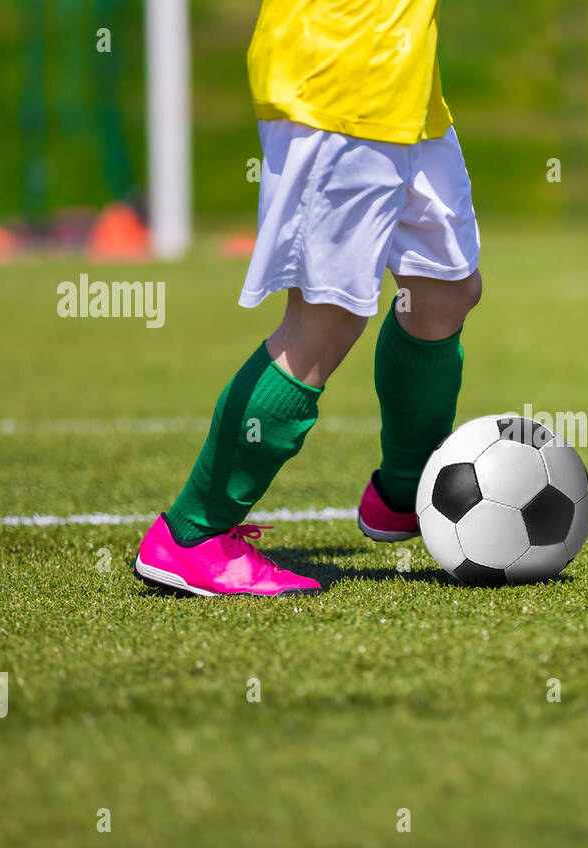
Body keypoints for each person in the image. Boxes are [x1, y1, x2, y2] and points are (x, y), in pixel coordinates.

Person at [134, 0, 481, 596]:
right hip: (341, 74)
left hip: (406, 80)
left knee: (444, 290)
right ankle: (192, 534)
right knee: (326, 319)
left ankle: (401, 494)